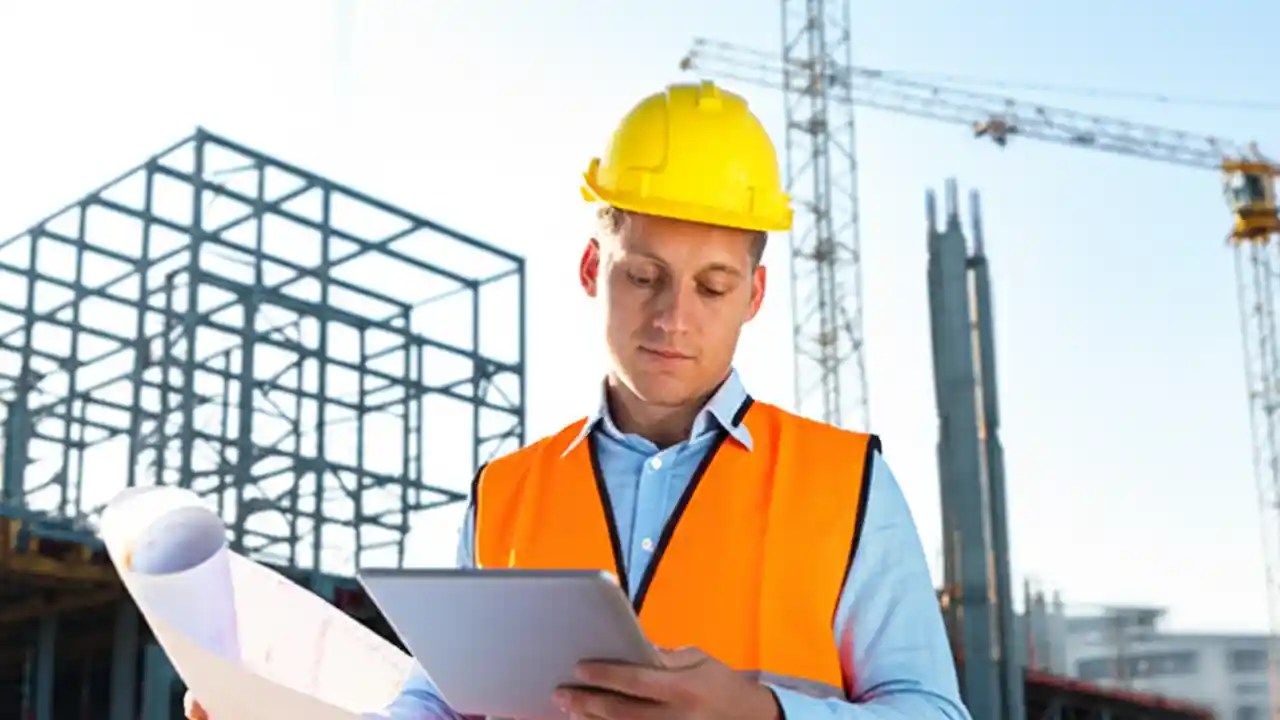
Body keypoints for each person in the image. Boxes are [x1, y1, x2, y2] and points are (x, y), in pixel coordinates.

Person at [189, 80, 973, 720]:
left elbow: (936, 714)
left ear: (755, 295)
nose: (673, 317)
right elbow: (439, 705)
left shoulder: (845, 486)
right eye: (644, 276)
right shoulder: (506, 495)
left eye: (712, 285)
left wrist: (763, 714)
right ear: (593, 268)